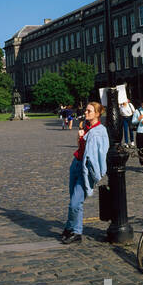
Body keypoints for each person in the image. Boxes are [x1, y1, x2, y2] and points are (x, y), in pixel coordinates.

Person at [60, 102, 108, 245]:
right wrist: (80, 137)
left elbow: (99, 152)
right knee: (74, 200)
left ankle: (76, 231)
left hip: (86, 168)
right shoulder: (85, 127)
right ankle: (70, 227)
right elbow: (80, 147)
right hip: (76, 163)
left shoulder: (100, 131)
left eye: (89, 111)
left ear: (97, 114)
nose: (86, 113)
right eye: (86, 110)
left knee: (75, 202)